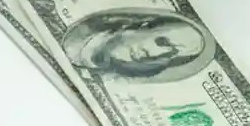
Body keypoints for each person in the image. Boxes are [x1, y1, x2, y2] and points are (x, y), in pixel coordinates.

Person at [60, 8, 216, 82]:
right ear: (140, 25)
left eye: (171, 56)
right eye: (162, 42)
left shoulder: (105, 78)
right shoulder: (72, 39)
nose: (155, 55)